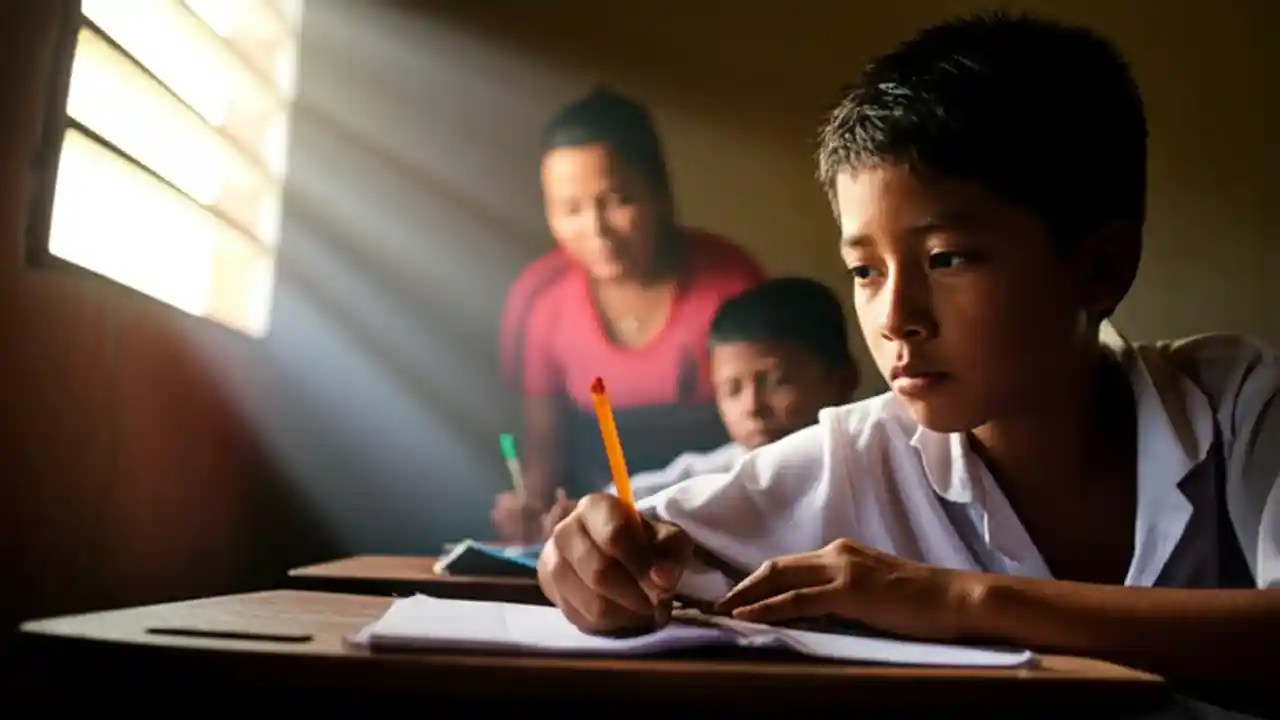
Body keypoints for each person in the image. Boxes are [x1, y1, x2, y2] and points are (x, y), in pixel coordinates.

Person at [534, 11, 1280, 701]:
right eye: (865, 270)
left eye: (947, 259)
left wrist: (952, 599)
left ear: (1101, 269)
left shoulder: (1240, 405)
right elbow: (624, 550)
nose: (895, 318)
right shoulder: (856, 455)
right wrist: (585, 560)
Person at [493, 88, 767, 542]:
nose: (596, 230)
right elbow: (542, 455)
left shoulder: (729, 284)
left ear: (660, 194)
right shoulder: (540, 300)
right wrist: (528, 512)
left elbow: (767, 440)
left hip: (712, 527)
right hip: (593, 537)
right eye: (570, 209)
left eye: (617, 200)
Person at [540, 277, 861, 534]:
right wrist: (587, 514)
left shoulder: (868, 464)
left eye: (779, 382)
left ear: (843, 381)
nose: (752, 407)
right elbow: (637, 495)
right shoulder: (716, 472)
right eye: (732, 389)